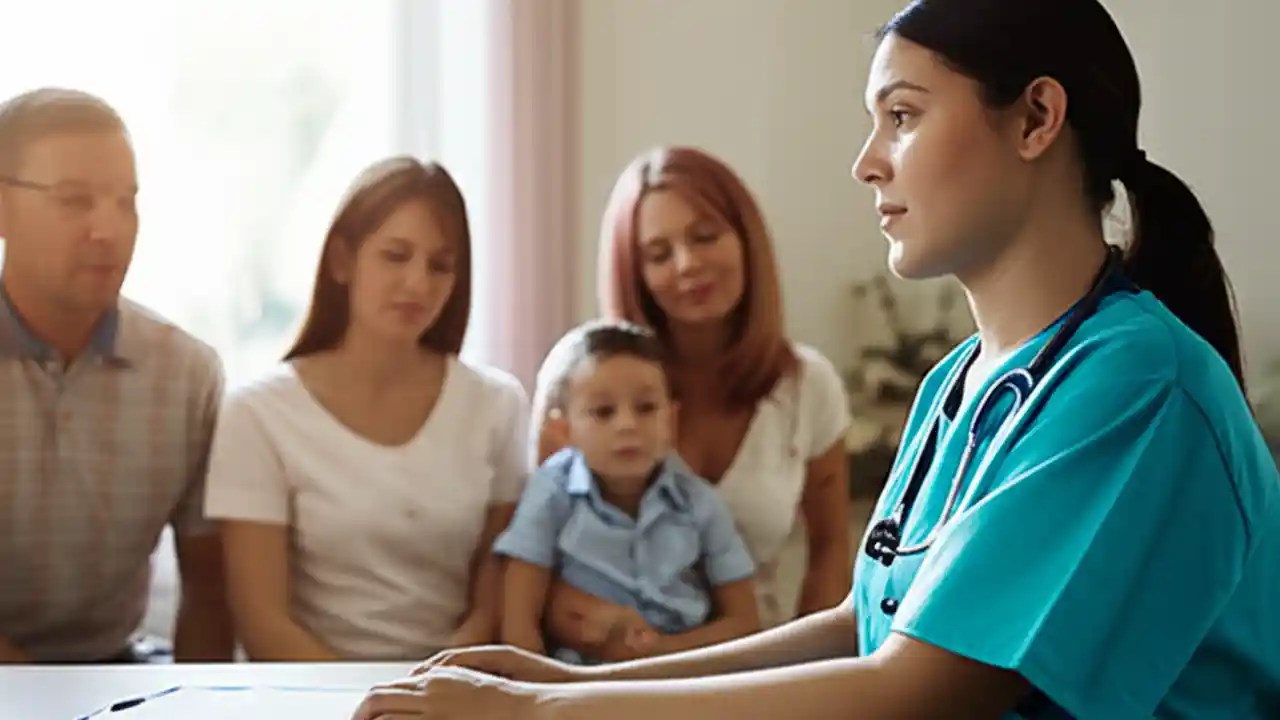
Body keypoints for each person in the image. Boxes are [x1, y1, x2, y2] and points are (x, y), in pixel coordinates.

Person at [352, 1, 1280, 718]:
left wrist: (545, 709)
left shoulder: (1136, 379)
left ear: (1036, 117)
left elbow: (919, 692)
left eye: (903, 115)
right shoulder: (960, 384)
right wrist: (552, 681)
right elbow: (858, 630)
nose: (867, 163)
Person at [203, 157, 530, 661]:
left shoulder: (496, 404)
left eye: (440, 266)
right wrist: (370, 704)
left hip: (453, 695)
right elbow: (263, 624)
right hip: (314, 699)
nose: (418, 284)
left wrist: (438, 688)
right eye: (395, 256)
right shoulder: (258, 413)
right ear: (342, 262)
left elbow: (497, 584)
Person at [531, 146, 854, 646]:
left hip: (753, 665)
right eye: (658, 254)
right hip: (599, 671)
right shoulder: (576, 375)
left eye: (705, 237)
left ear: (745, 239)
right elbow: (534, 555)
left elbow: (831, 548)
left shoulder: (810, 386)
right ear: (633, 272)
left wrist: (811, 670)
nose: (687, 265)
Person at [0, 88, 233, 663]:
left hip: (116, 672)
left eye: (126, 201)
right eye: (75, 200)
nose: (109, 228)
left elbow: (209, 588)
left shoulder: (187, 375)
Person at [495, 320, 759, 664]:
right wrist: (536, 691)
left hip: (686, 674)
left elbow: (745, 623)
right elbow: (518, 620)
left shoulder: (700, 503)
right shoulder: (551, 493)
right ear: (564, 430)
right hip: (579, 681)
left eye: (646, 408)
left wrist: (661, 655)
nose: (627, 425)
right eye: (603, 412)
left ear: (672, 422)